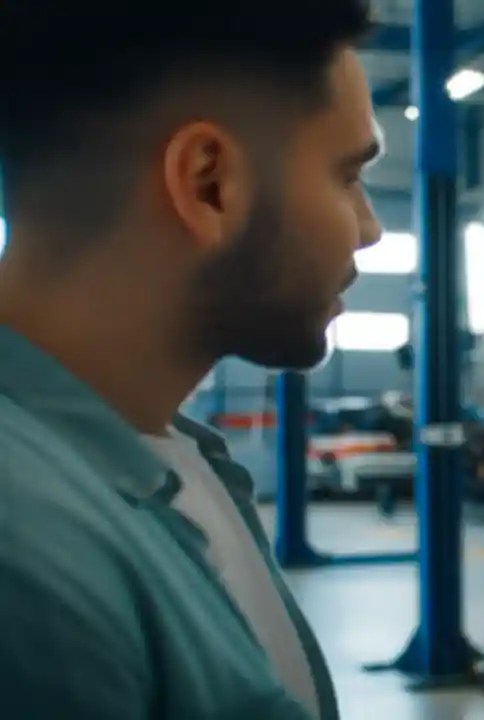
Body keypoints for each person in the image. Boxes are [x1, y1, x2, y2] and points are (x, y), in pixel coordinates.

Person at [0, 2, 382, 718]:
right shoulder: (26, 558)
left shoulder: (180, 465)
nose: (369, 228)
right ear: (210, 184)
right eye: (346, 176)